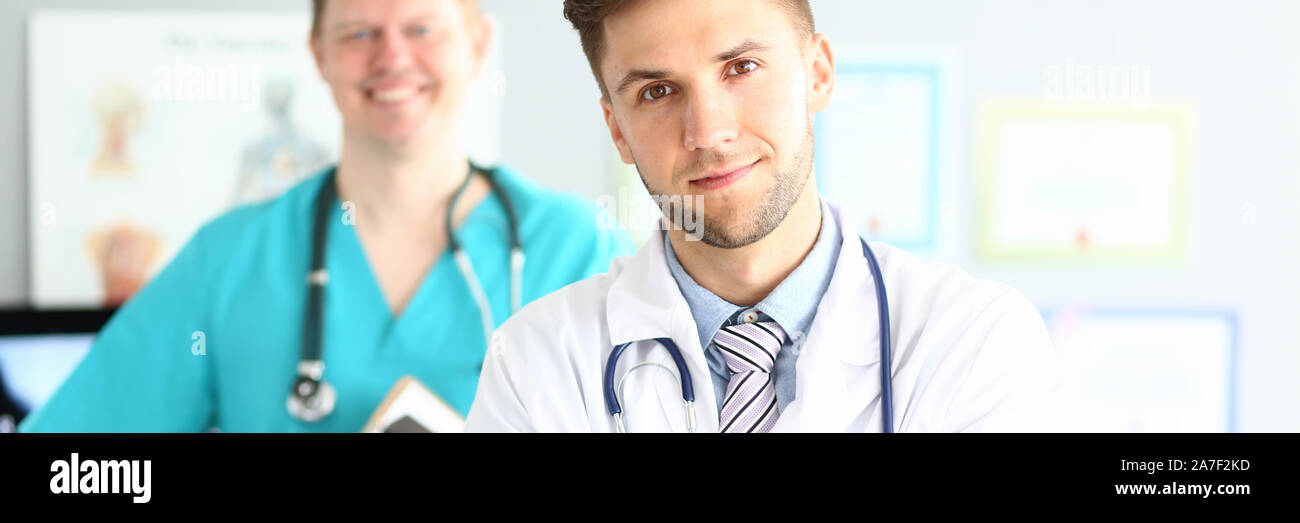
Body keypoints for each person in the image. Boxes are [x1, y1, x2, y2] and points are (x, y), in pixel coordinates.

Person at [21, 0, 634, 432]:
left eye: (422, 27)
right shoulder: (231, 260)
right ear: (318, 54)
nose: (392, 58)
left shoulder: (581, 248)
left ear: (476, 44)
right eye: (358, 33)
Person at [465, 0, 1059, 432]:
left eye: (741, 68)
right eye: (657, 92)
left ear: (818, 74)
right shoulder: (536, 363)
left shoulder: (971, 341)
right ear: (617, 129)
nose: (708, 131)